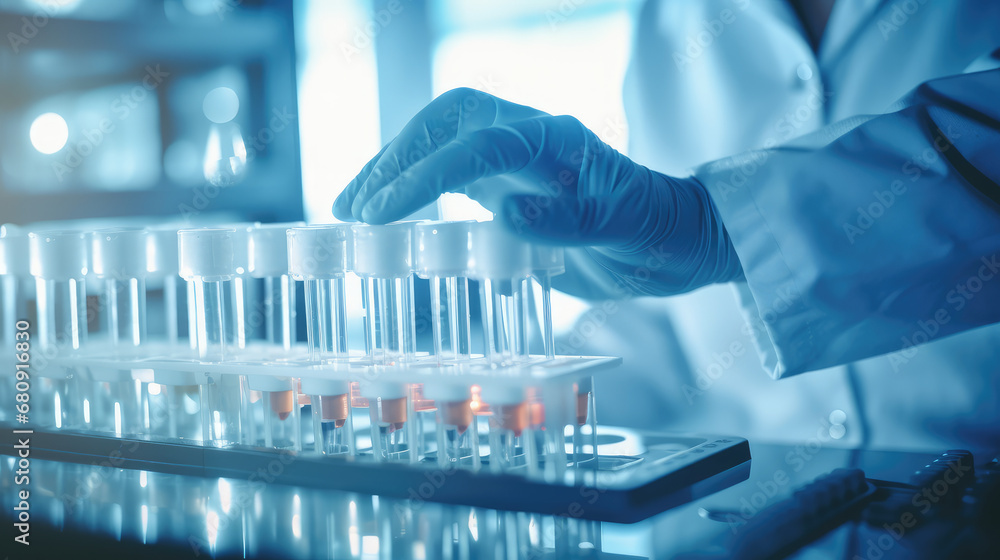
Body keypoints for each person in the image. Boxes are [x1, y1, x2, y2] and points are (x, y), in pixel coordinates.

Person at [333, 0, 1000, 451]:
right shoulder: (675, 20)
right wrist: (500, 399)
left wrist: (715, 224)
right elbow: (684, 338)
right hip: (770, 520)